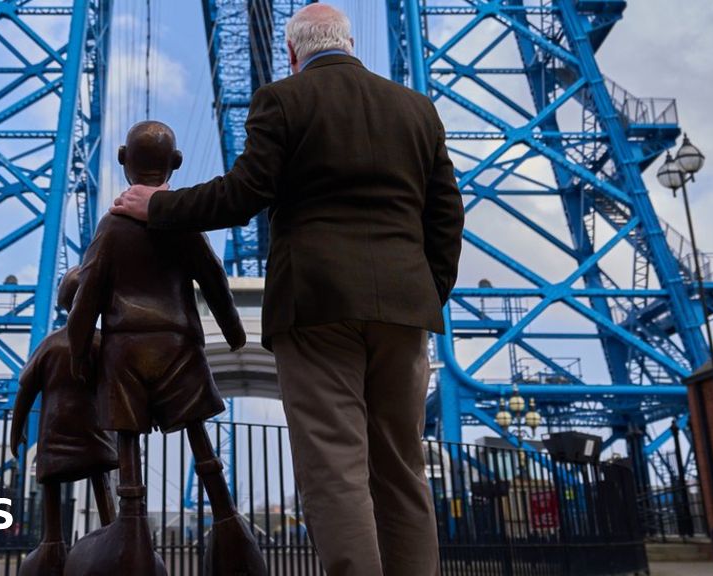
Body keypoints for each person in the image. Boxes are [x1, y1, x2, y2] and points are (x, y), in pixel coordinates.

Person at [110, 5, 464, 575]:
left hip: (315, 307)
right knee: (401, 467)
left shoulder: (283, 99)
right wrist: (424, 294)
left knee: (335, 466)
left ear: (293, 54)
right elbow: (447, 217)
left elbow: (243, 194)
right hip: (403, 311)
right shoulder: (417, 110)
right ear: (351, 44)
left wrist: (161, 206)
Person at [63, 121, 266, 576]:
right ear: (175, 163)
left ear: (122, 159)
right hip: (178, 346)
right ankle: (230, 533)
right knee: (201, 446)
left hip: (124, 352)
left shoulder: (111, 226)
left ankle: (131, 540)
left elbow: (88, 292)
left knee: (128, 449)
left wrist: (79, 349)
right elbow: (214, 279)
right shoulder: (183, 221)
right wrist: (234, 333)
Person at [9, 266, 119, 576]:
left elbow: (25, 390)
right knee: (102, 482)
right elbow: (122, 385)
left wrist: (16, 430)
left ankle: (52, 545)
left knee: (52, 489)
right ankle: (114, 537)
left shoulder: (48, 344)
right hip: (96, 432)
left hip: (54, 434)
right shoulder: (104, 343)